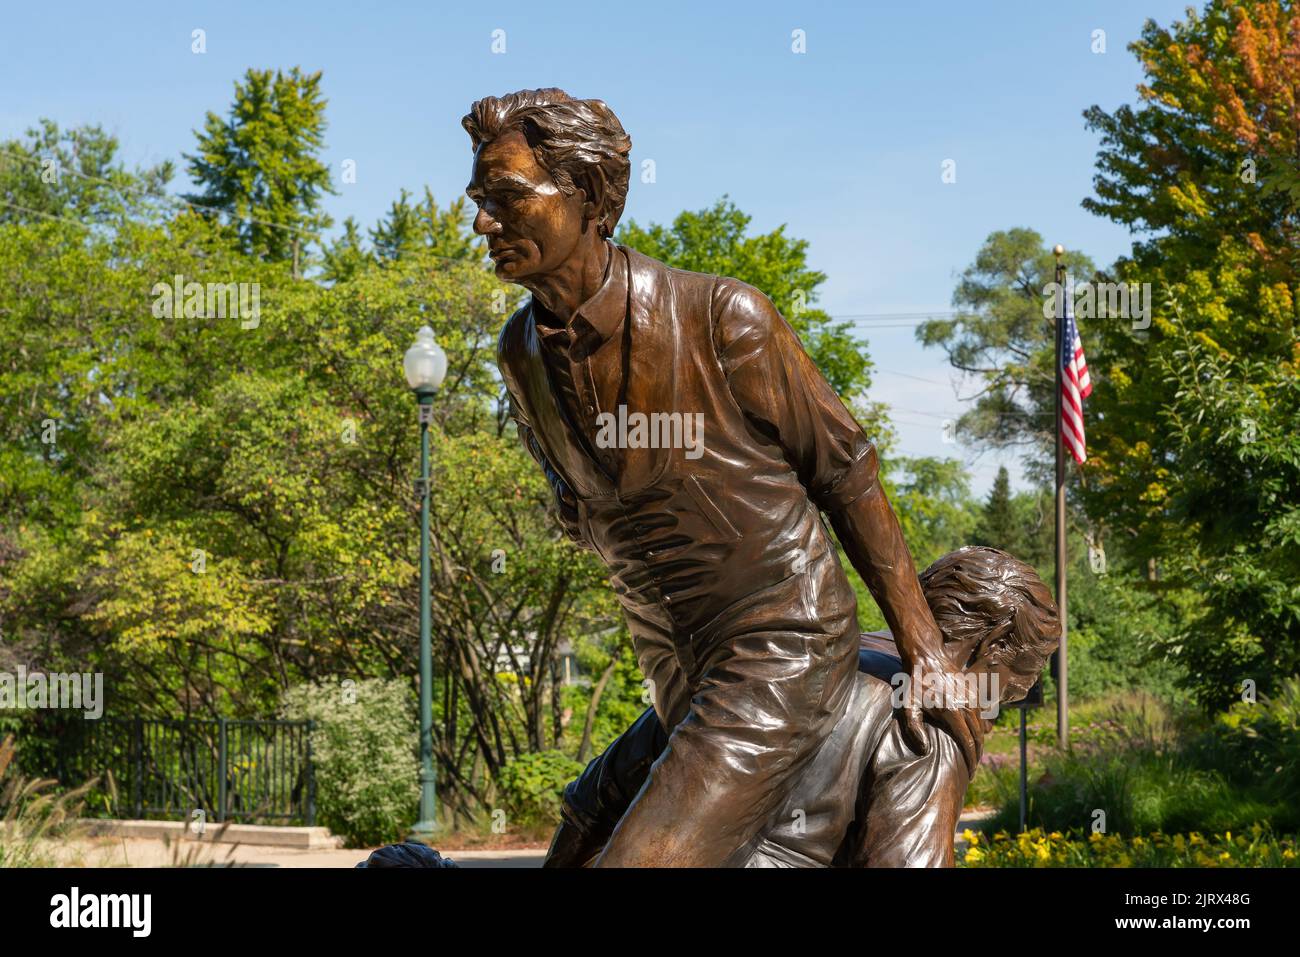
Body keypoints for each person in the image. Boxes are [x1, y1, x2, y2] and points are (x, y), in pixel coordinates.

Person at [466, 88, 985, 866]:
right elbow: (578, 502)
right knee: (579, 835)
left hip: (784, 643)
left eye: (507, 196)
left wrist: (925, 648)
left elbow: (847, 472)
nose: (482, 220)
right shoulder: (520, 354)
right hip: (672, 664)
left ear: (592, 197)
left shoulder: (724, 318)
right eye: (480, 198)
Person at [544, 547, 1061, 867]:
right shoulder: (931, 721)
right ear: (991, 645)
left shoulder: (778, 654)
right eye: (1015, 684)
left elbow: (597, 795)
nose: (995, 710)